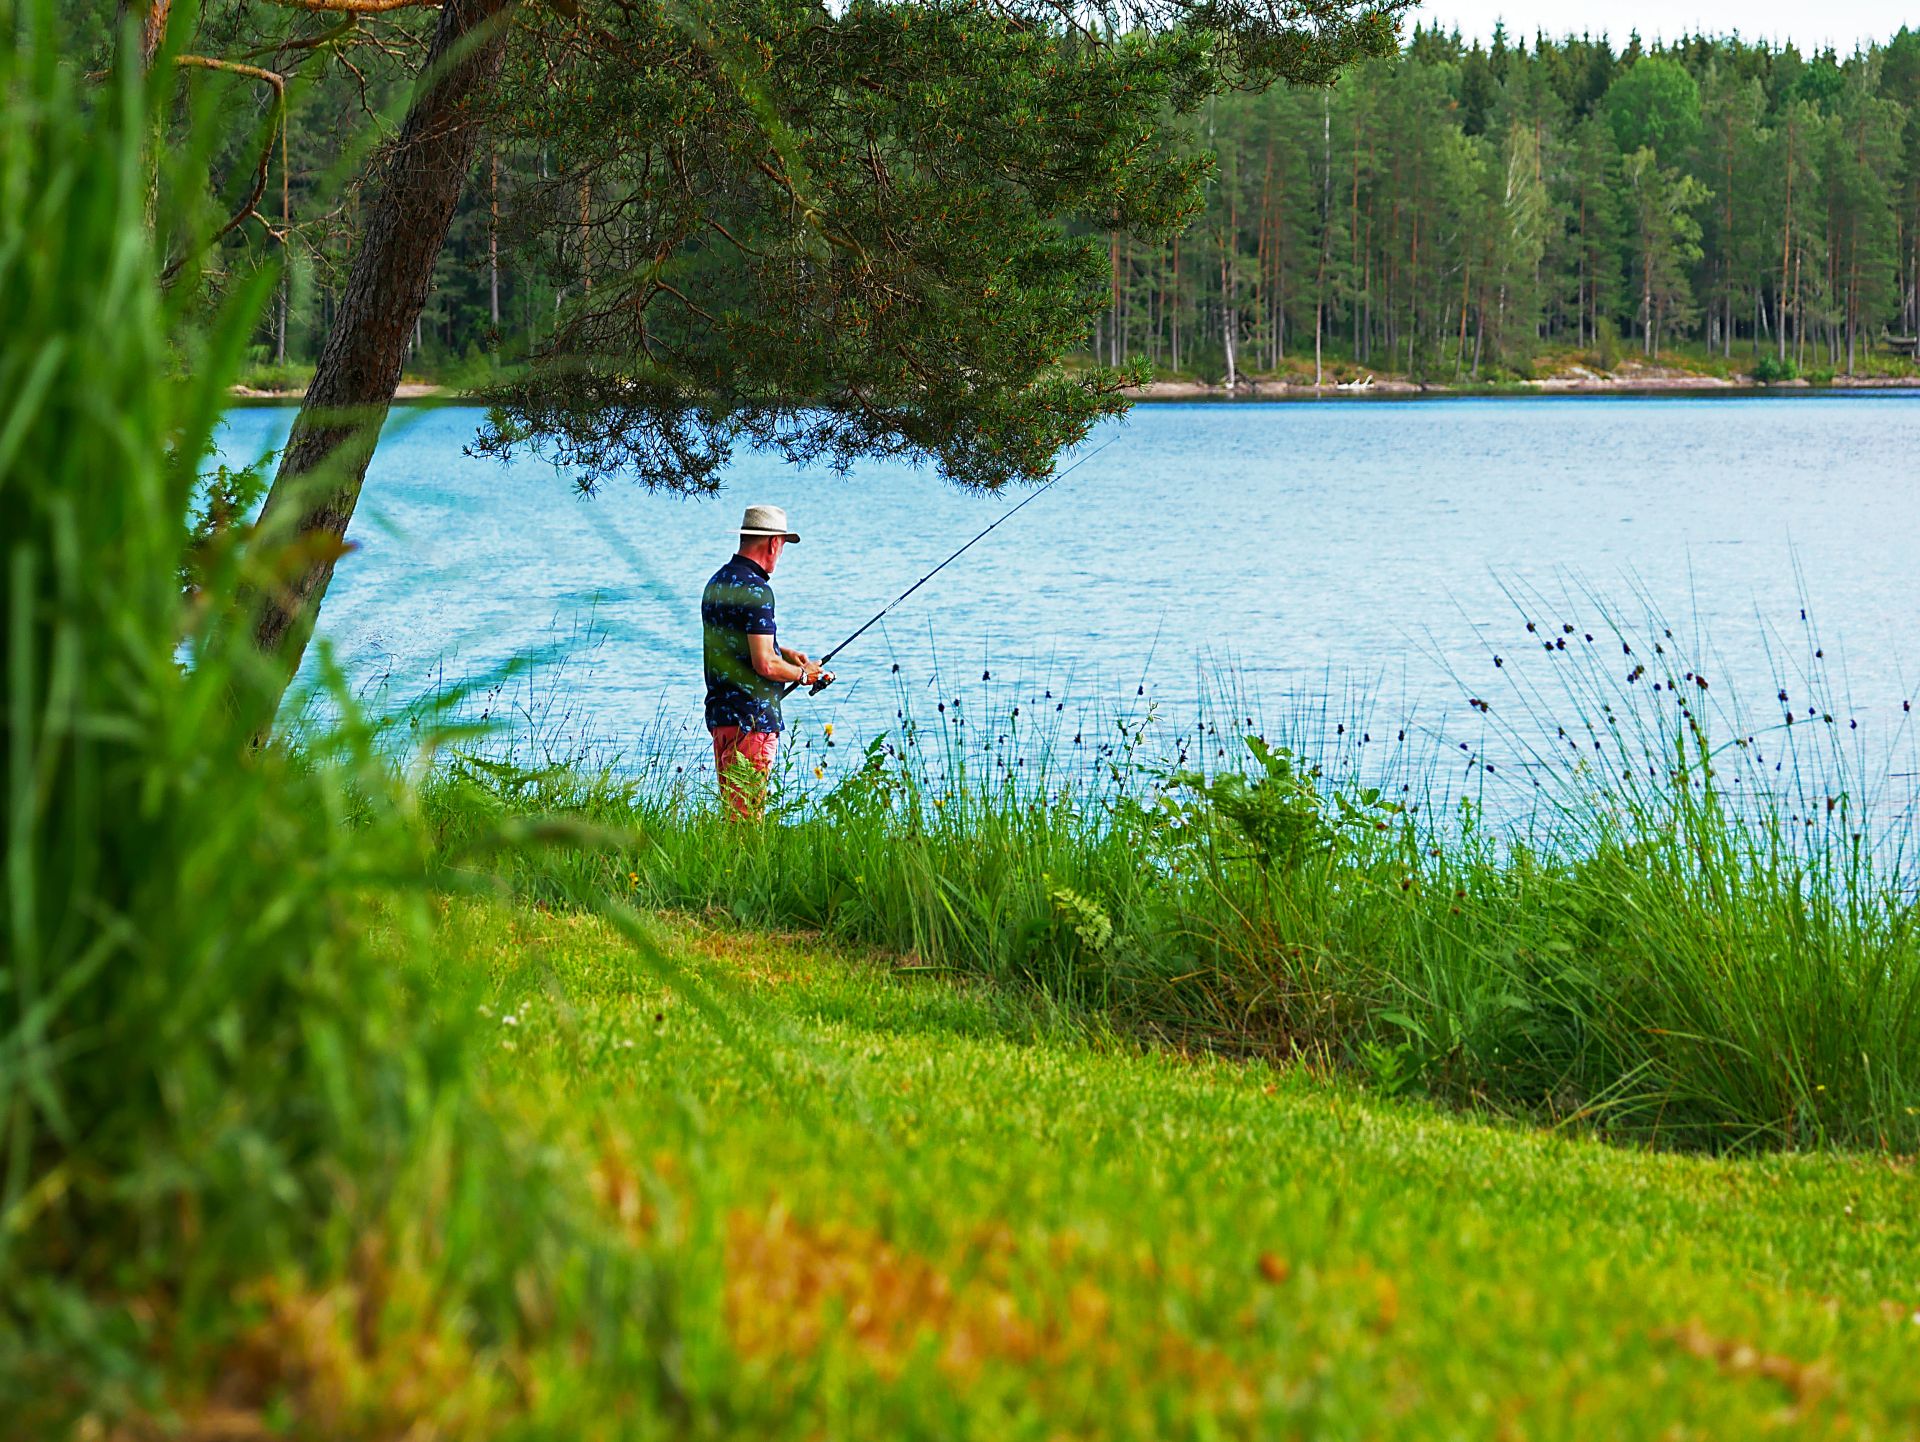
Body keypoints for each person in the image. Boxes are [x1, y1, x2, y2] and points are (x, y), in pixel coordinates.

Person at [702, 504, 833, 817]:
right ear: (774, 542)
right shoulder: (757, 591)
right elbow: (766, 666)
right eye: (783, 546)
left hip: (722, 718)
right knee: (747, 821)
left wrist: (783, 652)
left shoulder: (717, 583)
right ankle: (745, 867)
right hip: (753, 721)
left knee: (733, 814)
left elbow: (736, 643)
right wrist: (804, 676)